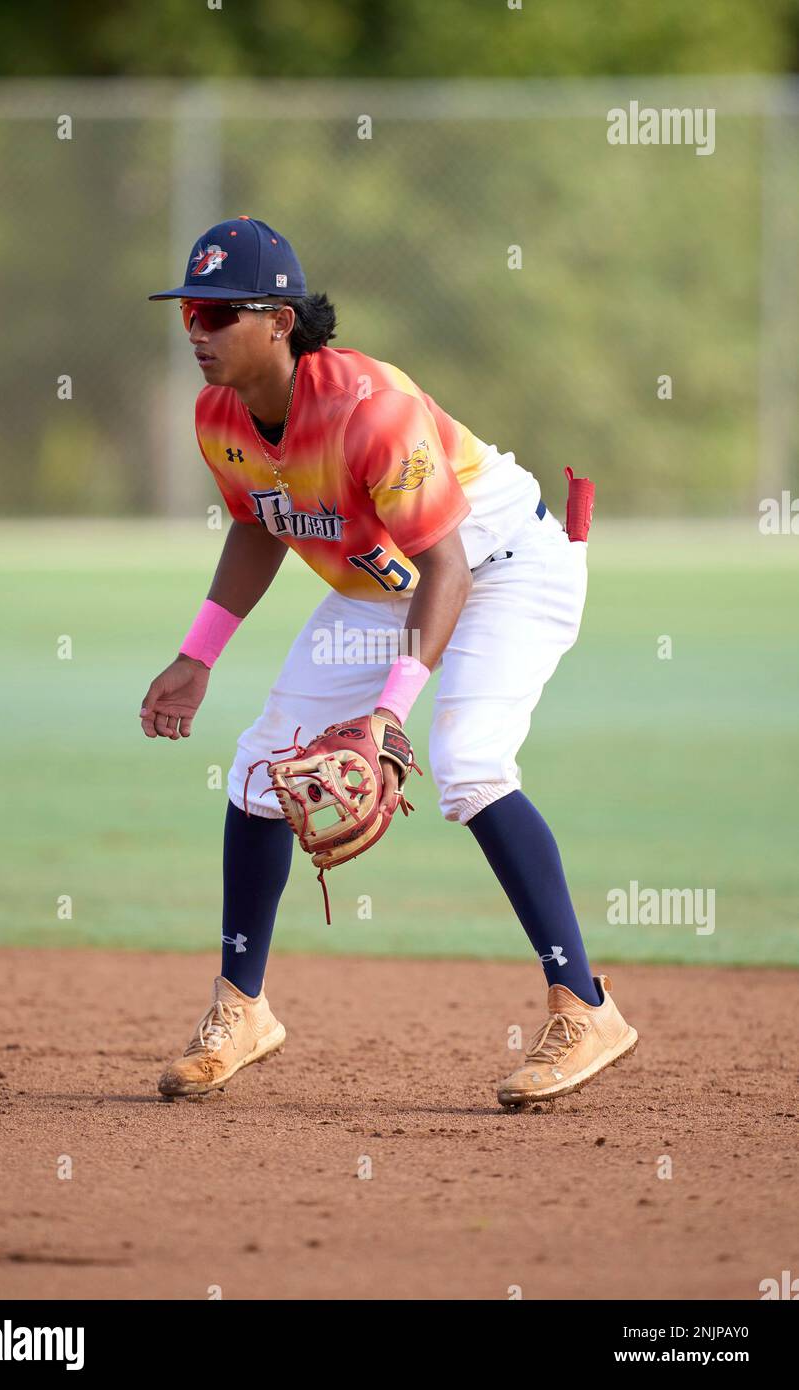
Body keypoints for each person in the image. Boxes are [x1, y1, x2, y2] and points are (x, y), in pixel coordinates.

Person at [142, 215, 638, 1108]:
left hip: (505, 566)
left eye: (218, 315)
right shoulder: (218, 417)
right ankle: (241, 1007)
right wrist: (196, 656)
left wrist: (385, 715)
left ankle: (584, 1004)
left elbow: (445, 565)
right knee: (260, 768)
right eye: (190, 314)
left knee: (468, 764)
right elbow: (259, 522)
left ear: (278, 321)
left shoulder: (370, 410)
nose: (198, 333)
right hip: (389, 584)